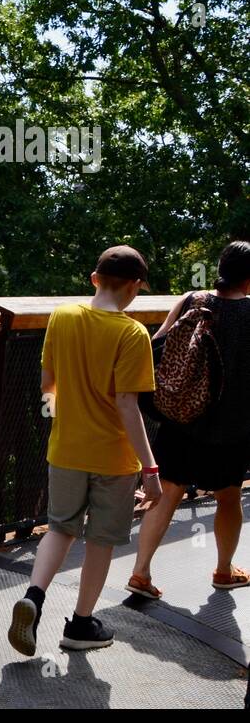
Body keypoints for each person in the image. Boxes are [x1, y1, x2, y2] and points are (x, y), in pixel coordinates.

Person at [7, 245, 163, 655]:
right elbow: (128, 407)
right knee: (100, 540)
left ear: (94, 279)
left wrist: (67, 416)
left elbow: (48, 382)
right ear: (134, 287)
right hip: (113, 457)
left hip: (66, 449)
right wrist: (150, 470)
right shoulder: (132, 335)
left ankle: (34, 598)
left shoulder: (63, 316)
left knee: (59, 529)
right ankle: (80, 625)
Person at [127, 241, 250, 599]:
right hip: (232, 430)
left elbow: (158, 347)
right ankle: (224, 571)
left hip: (181, 419)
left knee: (166, 495)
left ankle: (140, 573)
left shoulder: (192, 300)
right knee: (228, 499)